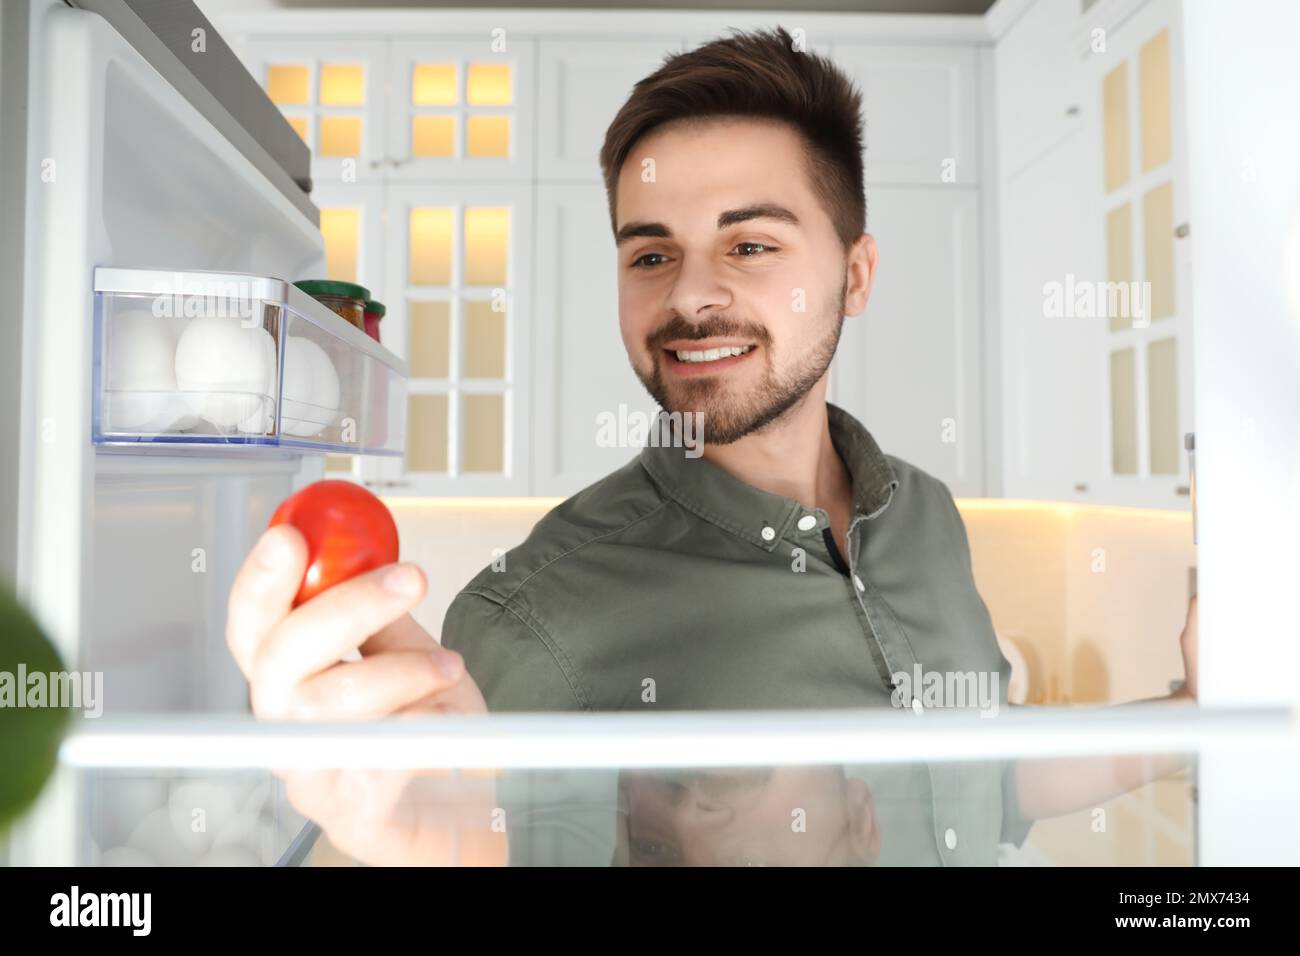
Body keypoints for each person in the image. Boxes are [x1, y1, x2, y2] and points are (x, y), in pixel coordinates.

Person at [226, 27, 1198, 866]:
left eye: (750, 244)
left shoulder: (925, 513)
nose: (690, 295)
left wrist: (1192, 714)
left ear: (854, 273)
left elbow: (982, 767)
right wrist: (448, 843)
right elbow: (481, 828)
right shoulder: (537, 621)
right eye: (651, 253)